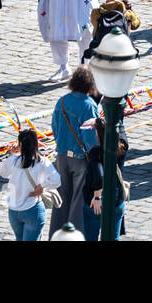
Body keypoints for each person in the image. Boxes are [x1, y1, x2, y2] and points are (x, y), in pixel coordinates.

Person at [48, 65, 101, 235]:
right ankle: (74, 236)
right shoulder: (89, 105)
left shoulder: (62, 101)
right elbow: (90, 137)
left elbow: (54, 127)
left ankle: (56, 235)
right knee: (78, 203)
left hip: (62, 156)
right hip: (80, 159)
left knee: (61, 202)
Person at [0, 129, 61, 241]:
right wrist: (42, 186)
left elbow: (2, 172)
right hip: (33, 209)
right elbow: (56, 180)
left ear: (20, 144)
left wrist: (13, 154)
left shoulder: (14, 160)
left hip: (14, 210)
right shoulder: (42, 162)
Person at [81, 114, 128, 241]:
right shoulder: (122, 148)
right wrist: (101, 122)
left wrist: (97, 196)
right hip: (116, 200)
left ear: (98, 135)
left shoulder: (96, 153)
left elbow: (99, 175)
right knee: (113, 237)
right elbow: (122, 130)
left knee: (90, 237)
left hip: (95, 203)